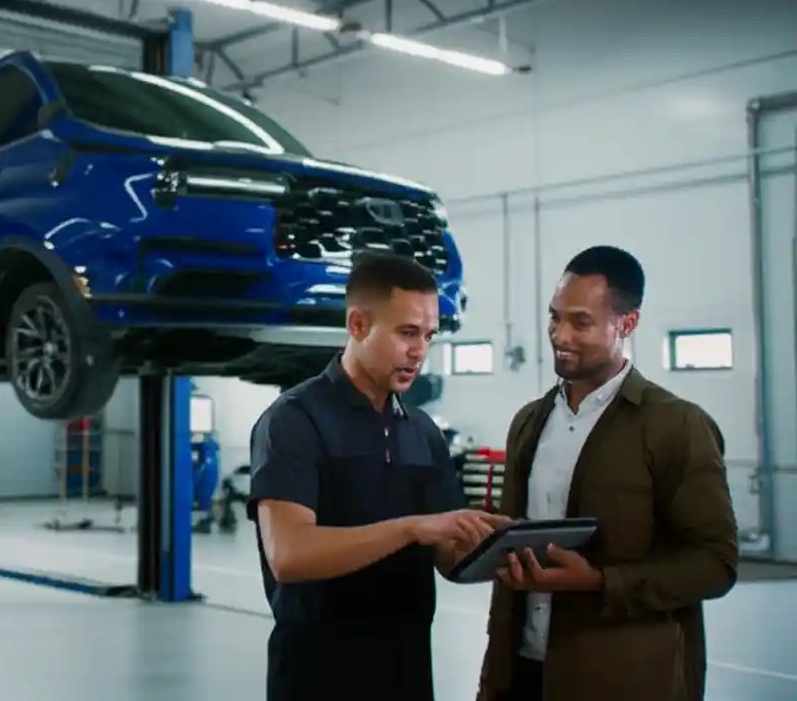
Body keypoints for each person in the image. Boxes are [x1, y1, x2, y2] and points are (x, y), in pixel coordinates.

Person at [475, 245, 738, 701]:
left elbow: (715, 564)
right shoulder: (529, 422)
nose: (560, 334)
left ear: (627, 324)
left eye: (581, 322)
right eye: (554, 317)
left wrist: (599, 582)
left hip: (621, 680)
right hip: (522, 672)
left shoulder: (676, 426)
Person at [248, 252, 510, 701]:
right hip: (319, 677)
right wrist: (411, 529)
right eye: (407, 333)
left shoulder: (422, 432)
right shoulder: (294, 421)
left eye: (428, 335)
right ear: (357, 325)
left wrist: (502, 548)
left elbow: (448, 557)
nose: (420, 351)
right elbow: (289, 555)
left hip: (407, 673)